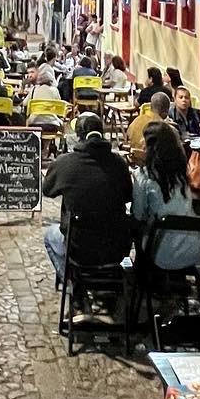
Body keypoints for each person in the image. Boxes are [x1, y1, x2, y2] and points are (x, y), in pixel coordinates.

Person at [41, 112, 132, 283]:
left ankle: (72, 282)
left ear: (78, 136)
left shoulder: (65, 163)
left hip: (79, 248)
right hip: (116, 248)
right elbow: (128, 196)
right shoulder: (119, 163)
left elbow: (47, 190)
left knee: (50, 235)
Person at [131, 119, 200, 271]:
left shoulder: (145, 176)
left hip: (162, 252)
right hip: (193, 249)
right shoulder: (181, 174)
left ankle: (142, 275)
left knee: (137, 228)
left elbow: (138, 215)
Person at [128, 89, 173, 158]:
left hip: (133, 159)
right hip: (151, 161)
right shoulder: (162, 127)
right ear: (166, 111)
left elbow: (127, 138)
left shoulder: (136, 120)